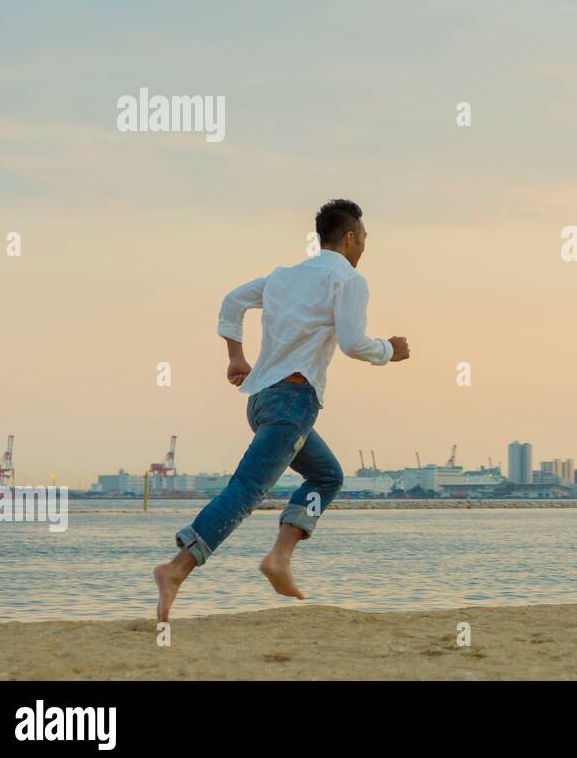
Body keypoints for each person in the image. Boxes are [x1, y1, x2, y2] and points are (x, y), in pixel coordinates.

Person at [154, 199, 409, 621]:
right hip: (293, 402)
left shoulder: (283, 277)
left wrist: (236, 357)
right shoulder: (349, 279)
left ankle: (279, 558)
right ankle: (177, 567)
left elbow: (232, 301)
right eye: (363, 239)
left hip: (261, 401)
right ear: (349, 238)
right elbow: (351, 341)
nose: (364, 247)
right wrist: (389, 350)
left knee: (327, 476)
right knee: (246, 491)